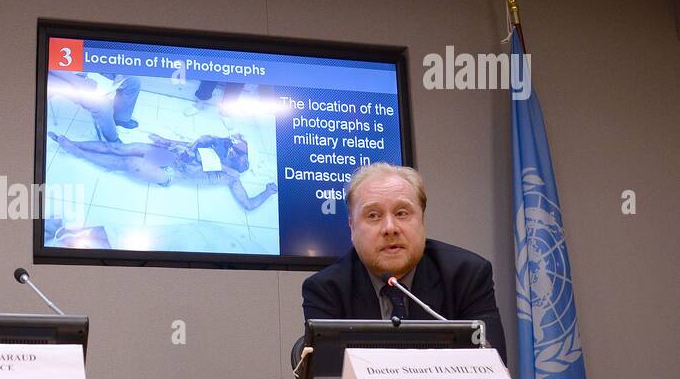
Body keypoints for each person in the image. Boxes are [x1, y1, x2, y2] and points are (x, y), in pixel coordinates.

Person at [301, 162, 507, 361]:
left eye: (402, 213)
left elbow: (493, 369)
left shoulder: (466, 275)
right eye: (373, 215)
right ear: (352, 227)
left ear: (422, 221)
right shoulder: (326, 290)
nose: (390, 228)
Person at [49, 130, 278, 215]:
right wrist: (164, 140)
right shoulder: (216, 143)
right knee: (119, 148)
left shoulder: (231, 175)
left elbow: (247, 204)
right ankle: (73, 142)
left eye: (234, 152)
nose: (230, 149)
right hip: (169, 154)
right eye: (231, 147)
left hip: (169, 172)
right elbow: (187, 144)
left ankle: (78, 152)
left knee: (128, 163)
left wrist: (268, 191)